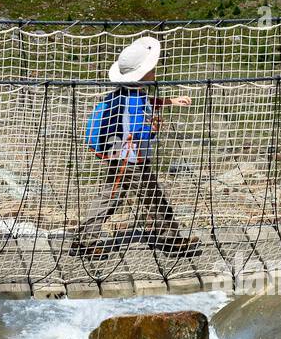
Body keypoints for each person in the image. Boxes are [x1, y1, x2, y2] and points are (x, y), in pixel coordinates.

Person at [70, 36, 198, 259]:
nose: (154, 71)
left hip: (125, 155)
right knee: (112, 198)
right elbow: (137, 131)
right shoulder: (133, 100)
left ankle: (171, 239)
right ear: (144, 74)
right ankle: (84, 242)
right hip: (128, 157)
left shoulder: (126, 92)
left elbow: (144, 102)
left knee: (149, 196)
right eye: (152, 69)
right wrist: (154, 128)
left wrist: (169, 101)